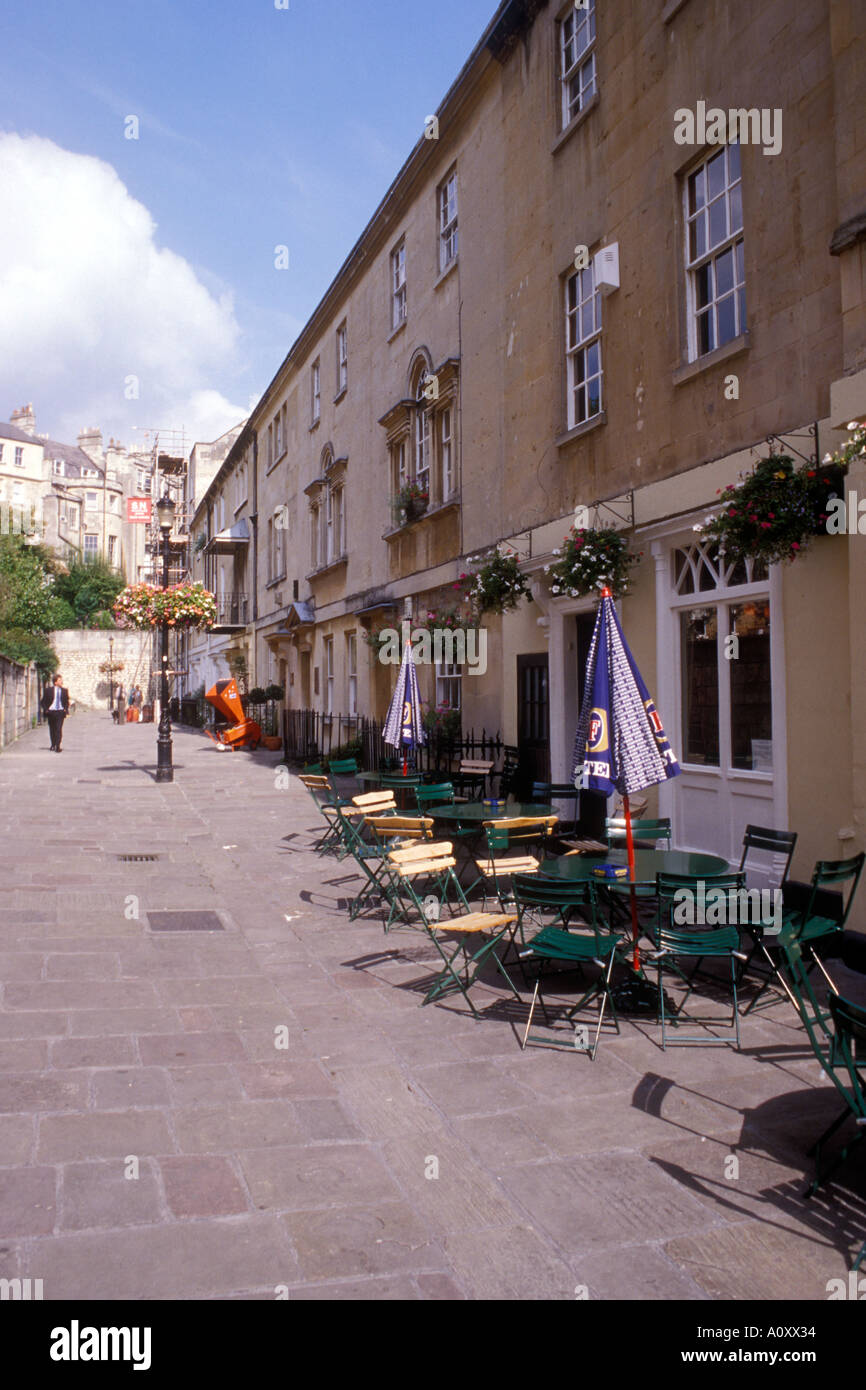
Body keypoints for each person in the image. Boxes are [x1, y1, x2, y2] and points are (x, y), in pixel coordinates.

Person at [42, 673, 69, 752]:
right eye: (60, 680)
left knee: (58, 729)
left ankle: (58, 746)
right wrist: (46, 709)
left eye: (62, 680)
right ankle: (53, 744)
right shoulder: (48, 690)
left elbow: (67, 701)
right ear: (55, 682)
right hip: (51, 712)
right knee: (52, 729)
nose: (62, 682)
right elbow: (43, 701)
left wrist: (65, 709)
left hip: (60, 712)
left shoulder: (64, 691)